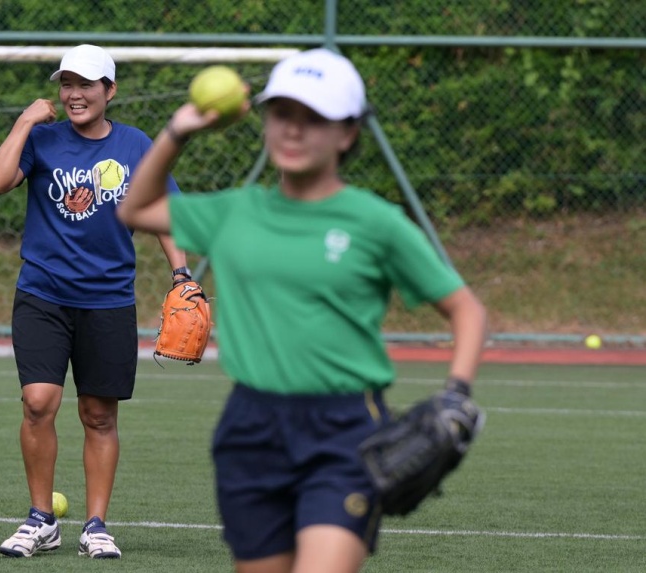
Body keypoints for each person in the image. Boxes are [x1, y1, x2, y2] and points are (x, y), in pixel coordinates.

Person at [117, 48, 487, 573]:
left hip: (344, 428)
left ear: (348, 134)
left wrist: (458, 394)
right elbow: (134, 209)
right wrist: (179, 130)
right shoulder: (235, 211)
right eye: (282, 115)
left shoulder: (376, 222)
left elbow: (465, 309)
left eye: (314, 119)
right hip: (250, 427)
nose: (293, 130)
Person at [0, 44, 192, 560]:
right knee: (38, 403)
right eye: (67, 84)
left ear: (109, 91)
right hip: (43, 294)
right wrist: (23, 122)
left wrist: (182, 273)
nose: (74, 94)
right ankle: (40, 520)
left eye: (86, 84)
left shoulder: (134, 145)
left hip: (108, 299)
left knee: (99, 415)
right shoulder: (43, 138)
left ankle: (96, 525)